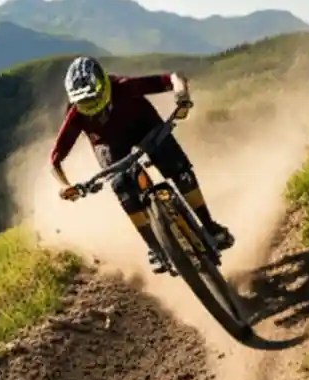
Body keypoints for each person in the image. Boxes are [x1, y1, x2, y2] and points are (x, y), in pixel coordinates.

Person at [50, 55, 234, 273]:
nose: (91, 106)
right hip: (110, 146)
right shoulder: (76, 115)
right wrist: (65, 185)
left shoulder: (124, 87)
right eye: (84, 103)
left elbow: (173, 78)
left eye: (93, 98)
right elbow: (55, 160)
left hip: (146, 127)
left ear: (103, 85)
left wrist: (182, 97)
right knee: (123, 189)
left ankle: (209, 226)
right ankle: (156, 248)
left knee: (180, 172)